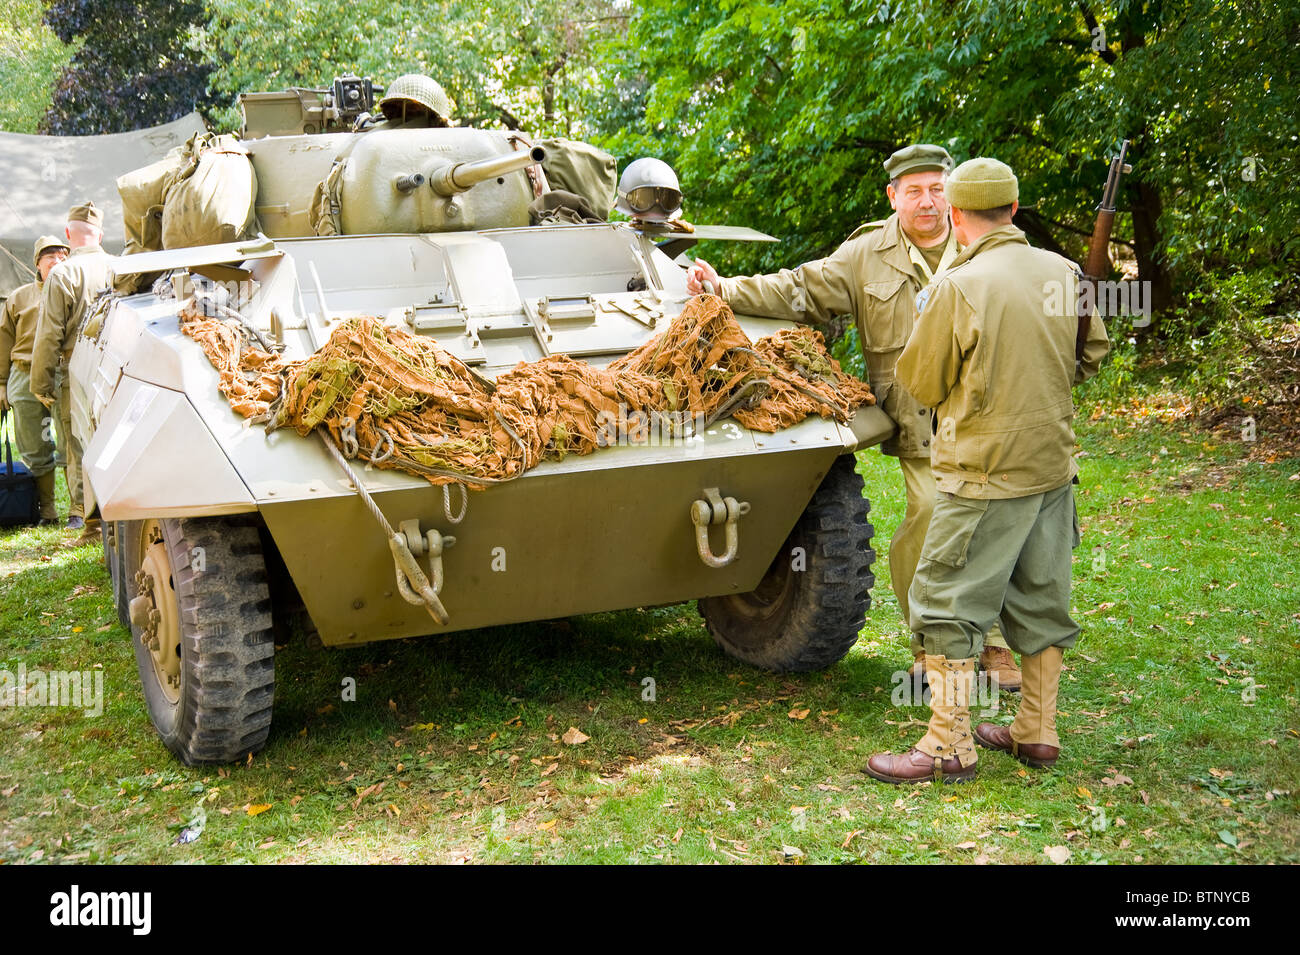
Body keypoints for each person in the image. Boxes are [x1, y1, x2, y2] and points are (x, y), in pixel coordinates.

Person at [686, 144, 1024, 689]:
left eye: (937, 188)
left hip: (991, 412)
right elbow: (799, 289)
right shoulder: (867, 255)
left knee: (998, 523)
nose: (927, 201)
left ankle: (994, 644)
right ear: (893, 197)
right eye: (913, 191)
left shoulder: (983, 244)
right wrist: (723, 287)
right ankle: (930, 644)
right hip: (921, 419)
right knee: (933, 515)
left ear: (953, 194)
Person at [863, 158, 1109, 784]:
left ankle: (948, 745)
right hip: (1053, 470)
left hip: (980, 474)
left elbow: (920, 382)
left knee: (946, 601)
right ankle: (1037, 730)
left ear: (957, 215)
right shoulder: (1063, 272)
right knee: (1042, 597)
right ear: (1014, 210)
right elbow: (1091, 354)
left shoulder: (958, 285)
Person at [30, 200, 115, 545]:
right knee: (113, 436)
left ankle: (92, 525)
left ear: (68, 234)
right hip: (120, 366)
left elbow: (49, 334)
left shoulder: (63, 274)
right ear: (101, 233)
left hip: (76, 369)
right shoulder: (121, 266)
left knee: (80, 443)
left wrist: (40, 382)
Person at [0, 235, 70, 524]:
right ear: (37, 264)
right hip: (24, 374)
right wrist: (1, 383)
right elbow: (4, 340)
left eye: (63, 255)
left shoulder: (73, 292)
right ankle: (48, 510)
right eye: (50, 256)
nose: (57, 261)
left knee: (70, 442)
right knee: (34, 443)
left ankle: (80, 511)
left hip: (62, 374)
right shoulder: (19, 297)